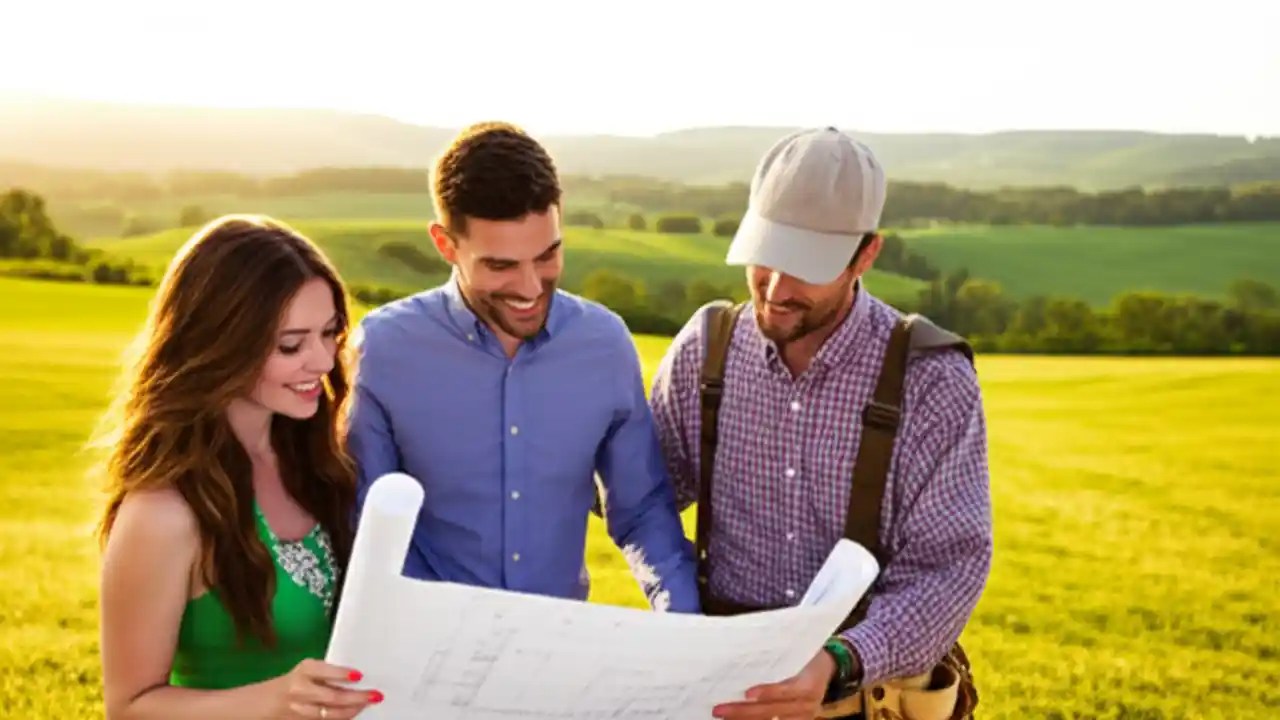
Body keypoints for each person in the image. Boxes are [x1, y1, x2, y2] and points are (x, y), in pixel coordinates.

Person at [649, 128, 993, 720]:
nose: (777, 291)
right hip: (725, 694)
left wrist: (838, 659)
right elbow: (641, 500)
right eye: (767, 256)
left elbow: (948, 567)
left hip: (867, 696)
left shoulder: (931, 379)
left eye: (806, 267)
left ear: (867, 255)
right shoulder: (705, 349)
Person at [345, 122, 699, 612]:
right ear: (446, 245)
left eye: (548, 255)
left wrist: (681, 615)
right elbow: (366, 528)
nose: (531, 288)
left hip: (556, 658)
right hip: (424, 650)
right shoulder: (382, 351)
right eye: (501, 266)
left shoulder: (604, 344)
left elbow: (641, 511)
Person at [94, 215, 383, 719]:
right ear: (221, 345)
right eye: (291, 344)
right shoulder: (164, 511)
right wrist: (277, 699)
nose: (320, 360)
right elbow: (130, 707)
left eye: (329, 333)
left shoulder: (319, 463)